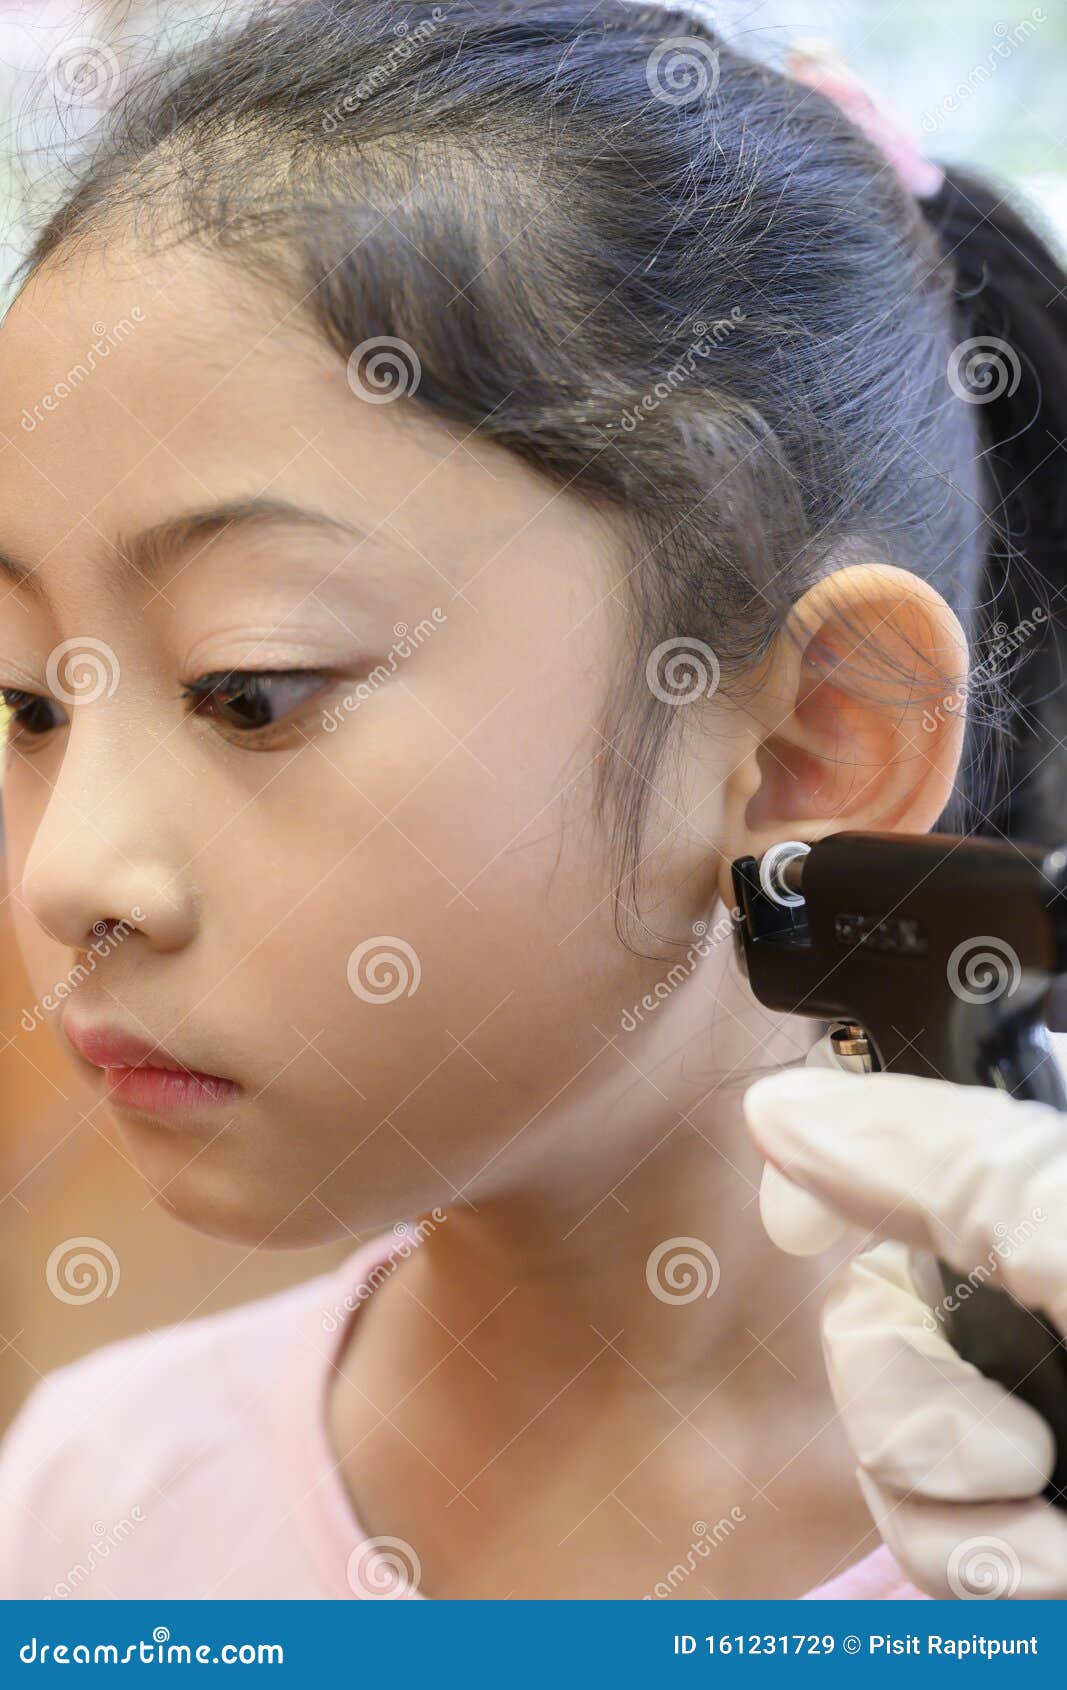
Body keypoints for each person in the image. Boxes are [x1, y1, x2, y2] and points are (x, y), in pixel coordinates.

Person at [0, 0, 1064, 1600]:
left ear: (807, 746)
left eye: (250, 688)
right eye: (23, 701)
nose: (70, 875)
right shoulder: (94, 1514)